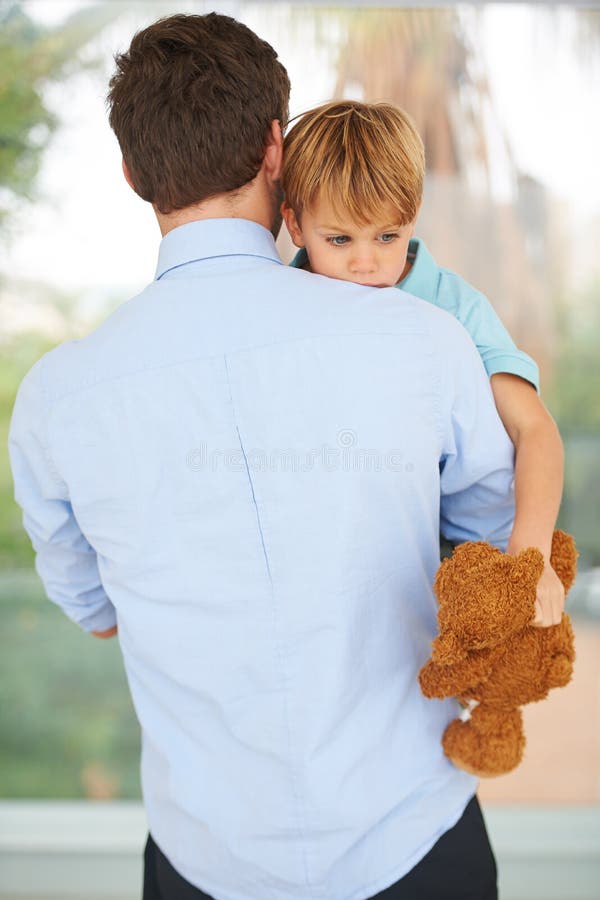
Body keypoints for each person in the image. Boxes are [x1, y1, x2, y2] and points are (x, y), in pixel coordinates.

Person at [9, 13, 515, 900]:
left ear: (131, 172)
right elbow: (485, 539)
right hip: (413, 836)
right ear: (277, 149)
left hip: (206, 856)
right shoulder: (425, 342)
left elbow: (93, 608)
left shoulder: (56, 399)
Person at [281, 99, 565, 629]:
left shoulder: (454, 308)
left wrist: (532, 557)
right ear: (295, 225)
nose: (365, 263)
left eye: (387, 237)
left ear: (410, 218)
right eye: (339, 239)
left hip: (456, 567)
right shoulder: (281, 306)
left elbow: (534, 429)